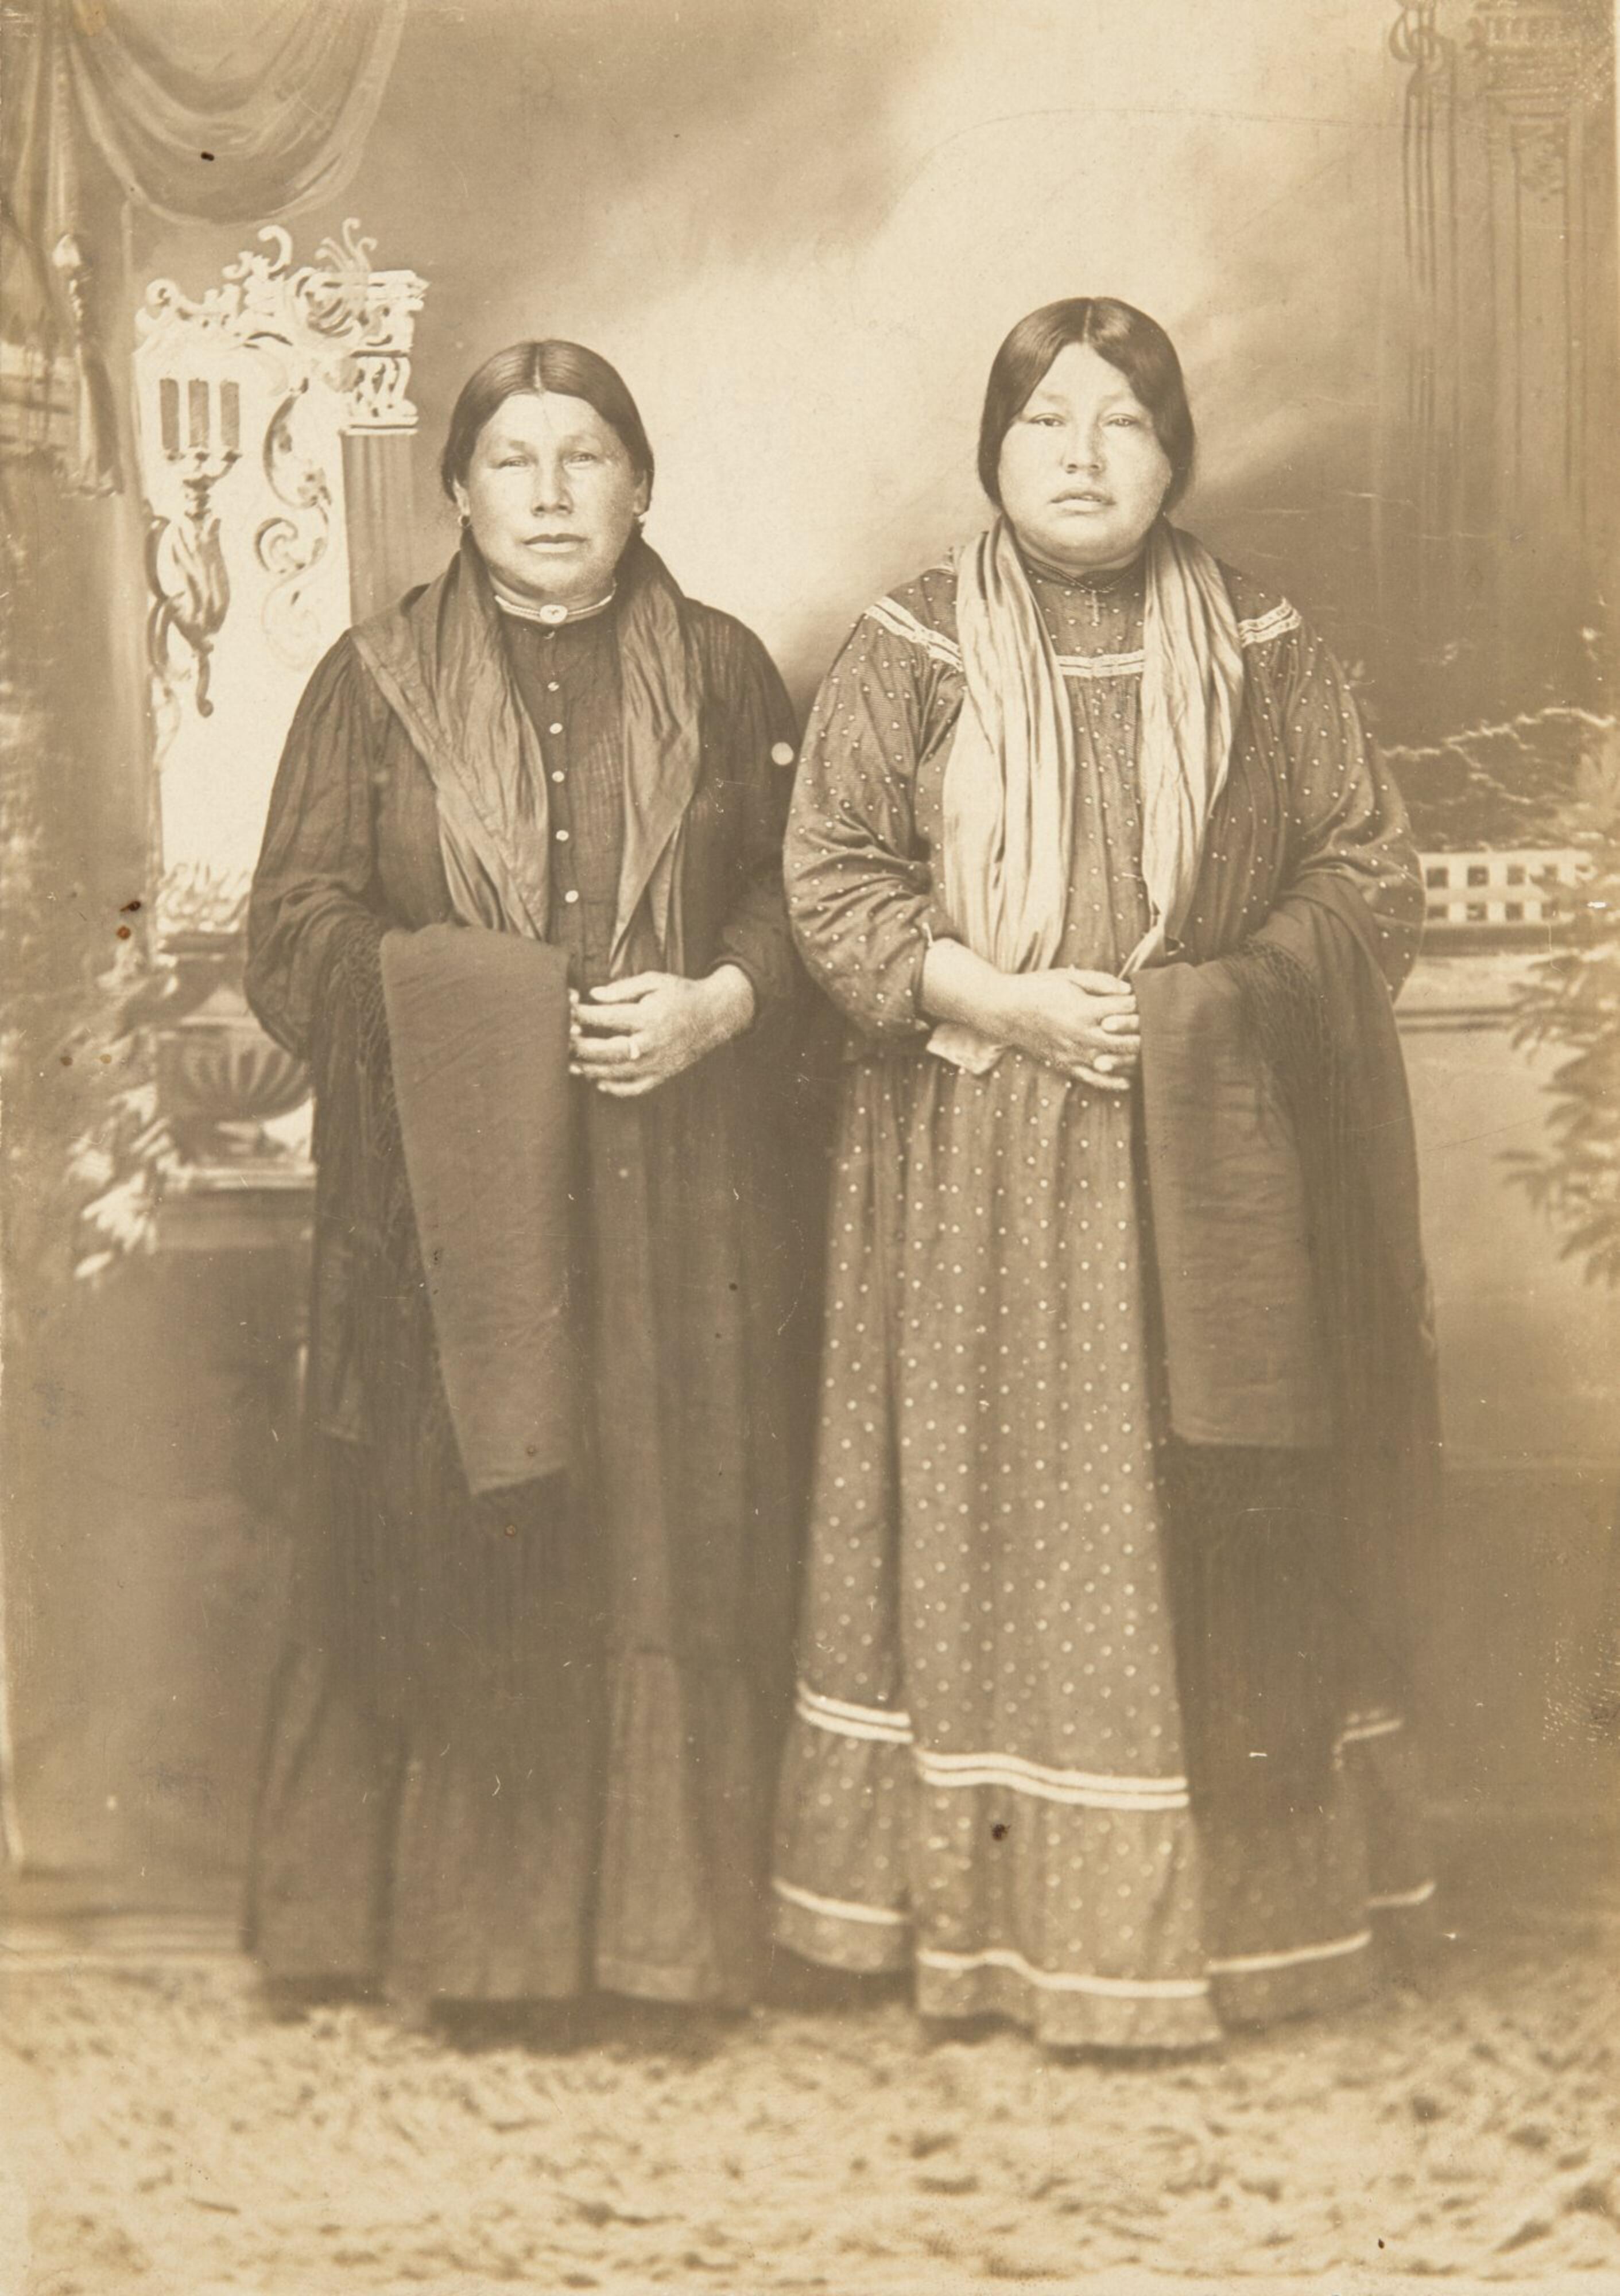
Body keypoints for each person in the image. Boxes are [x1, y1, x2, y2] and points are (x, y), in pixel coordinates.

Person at [772, 297, 1439, 2050]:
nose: (1081, 456)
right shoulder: (907, 647)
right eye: (1045, 420)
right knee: (1017, 1526)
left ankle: (1237, 1932)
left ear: (1175, 452)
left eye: (1122, 421)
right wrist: (997, 994)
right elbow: (831, 881)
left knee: (1213, 1525)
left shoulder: (1269, 646)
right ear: (991, 450)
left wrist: (1196, 1010)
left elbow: (1372, 877)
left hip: (1214, 1162)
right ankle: (997, 1936)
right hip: (978, 1162)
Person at [245, 339, 807, 2032]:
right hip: (449, 1203)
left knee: (664, 1541)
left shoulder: (723, 673)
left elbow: (807, 901)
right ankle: (477, 1954)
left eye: (587, 458)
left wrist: (717, 1005)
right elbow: (292, 939)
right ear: (457, 492)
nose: (553, 494)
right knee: (482, 1523)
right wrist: (478, 1007)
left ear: (644, 484)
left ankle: (660, 1951)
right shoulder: (371, 682)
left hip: (677, 1193)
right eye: (513, 459)